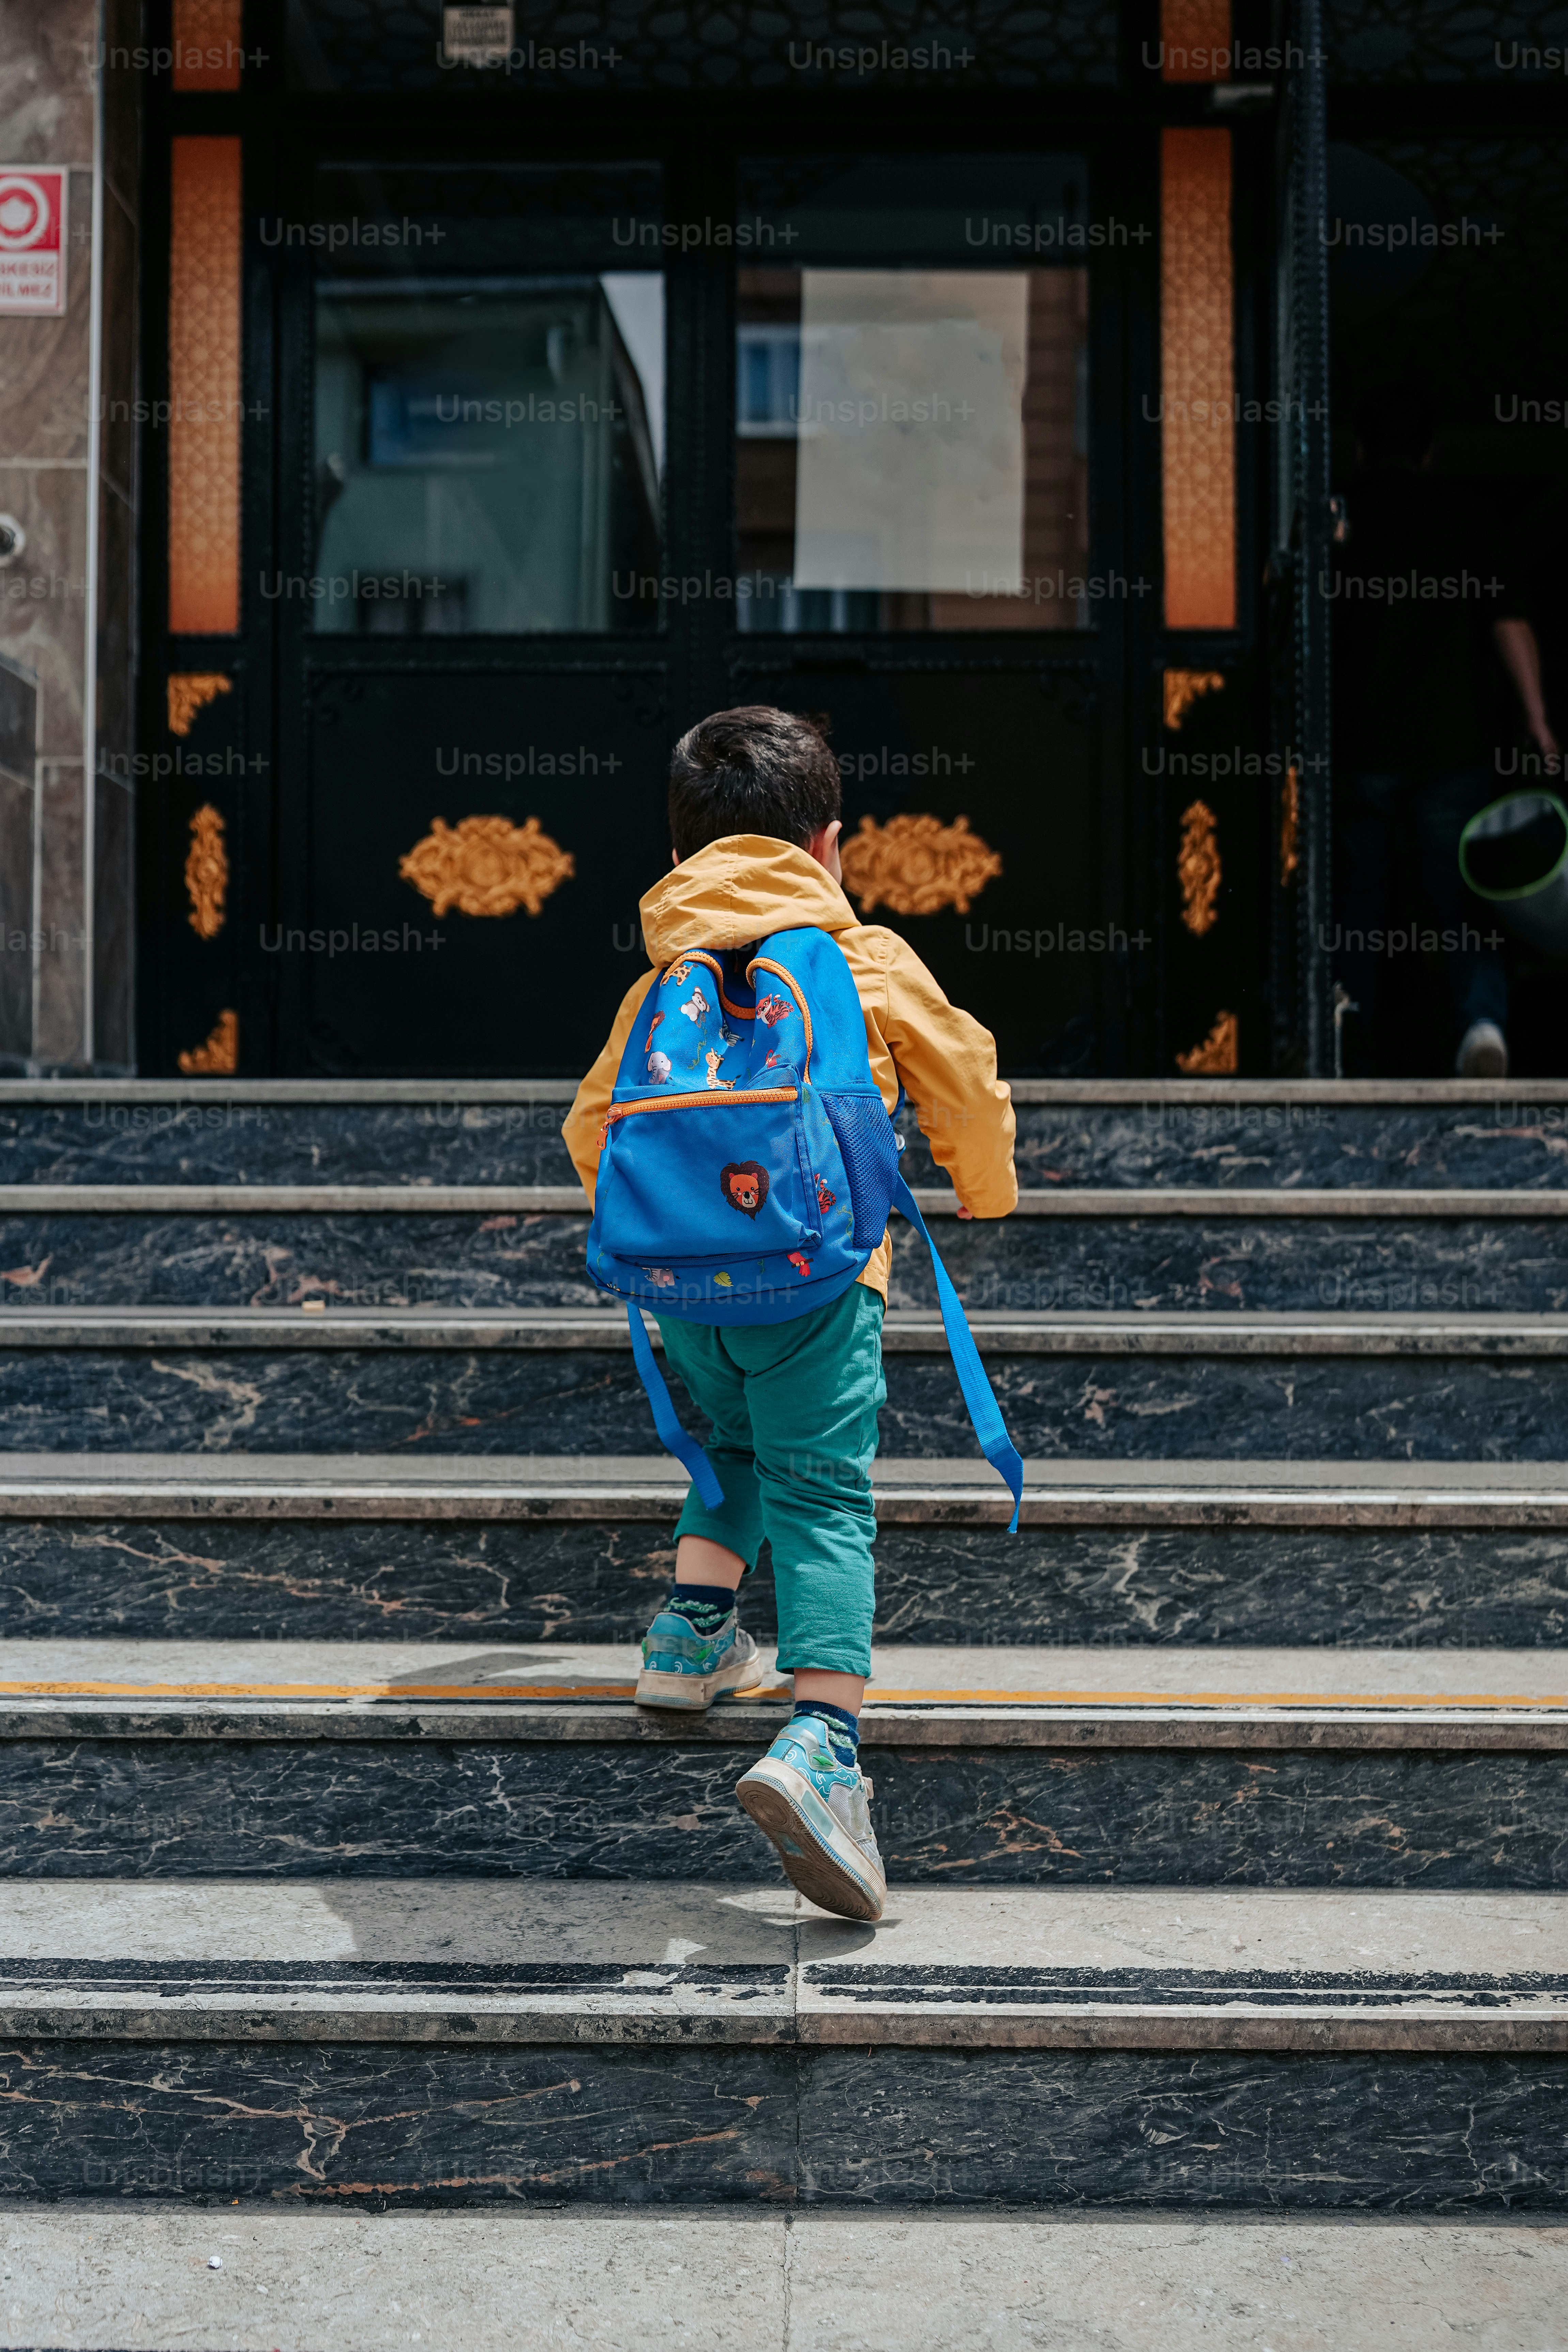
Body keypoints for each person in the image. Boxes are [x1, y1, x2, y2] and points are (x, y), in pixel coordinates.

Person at [563, 706, 1016, 1919]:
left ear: (677, 859)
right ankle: (821, 1744)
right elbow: (962, 1079)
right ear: (830, 844)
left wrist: (678, 1221)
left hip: (683, 1293)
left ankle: (688, 1635)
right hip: (821, 1282)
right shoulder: (858, 956)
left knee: (727, 1445)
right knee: (821, 1486)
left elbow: (588, 1127)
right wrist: (986, 1189)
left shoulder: (664, 977)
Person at [1332, 380, 1559, 1077]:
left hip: (1359, 743)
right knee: (1461, 897)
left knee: (1355, 904)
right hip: (1452, 747)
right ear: (1429, 451)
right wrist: (1537, 720)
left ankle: (1345, 1036)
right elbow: (1508, 623)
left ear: (1360, 447)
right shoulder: (1466, 514)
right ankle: (1481, 1022)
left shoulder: (1337, 515)